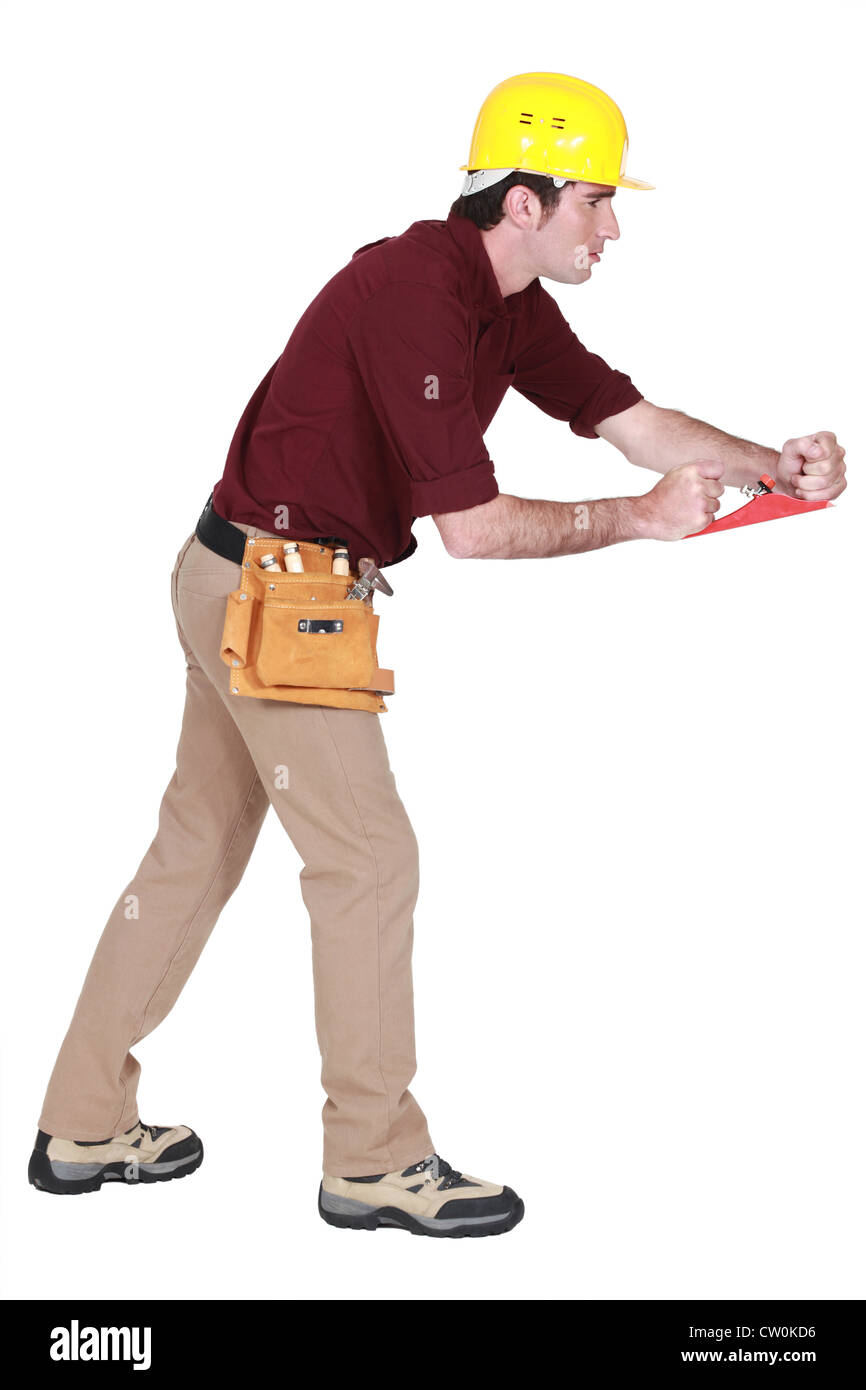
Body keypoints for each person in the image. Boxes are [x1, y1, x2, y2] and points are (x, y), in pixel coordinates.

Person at [28, 71, 846, 1238]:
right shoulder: (414, 285)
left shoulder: (504, 303)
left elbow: (630, 424)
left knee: (196, 849)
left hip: (243, 575)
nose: (610, 228)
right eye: (594, 201)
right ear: (523, 200)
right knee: (369, 862)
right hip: (274, 589)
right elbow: (473, 530)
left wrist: (771, 461)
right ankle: (372, 1159)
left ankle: (82, 1125)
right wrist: (640, 519)